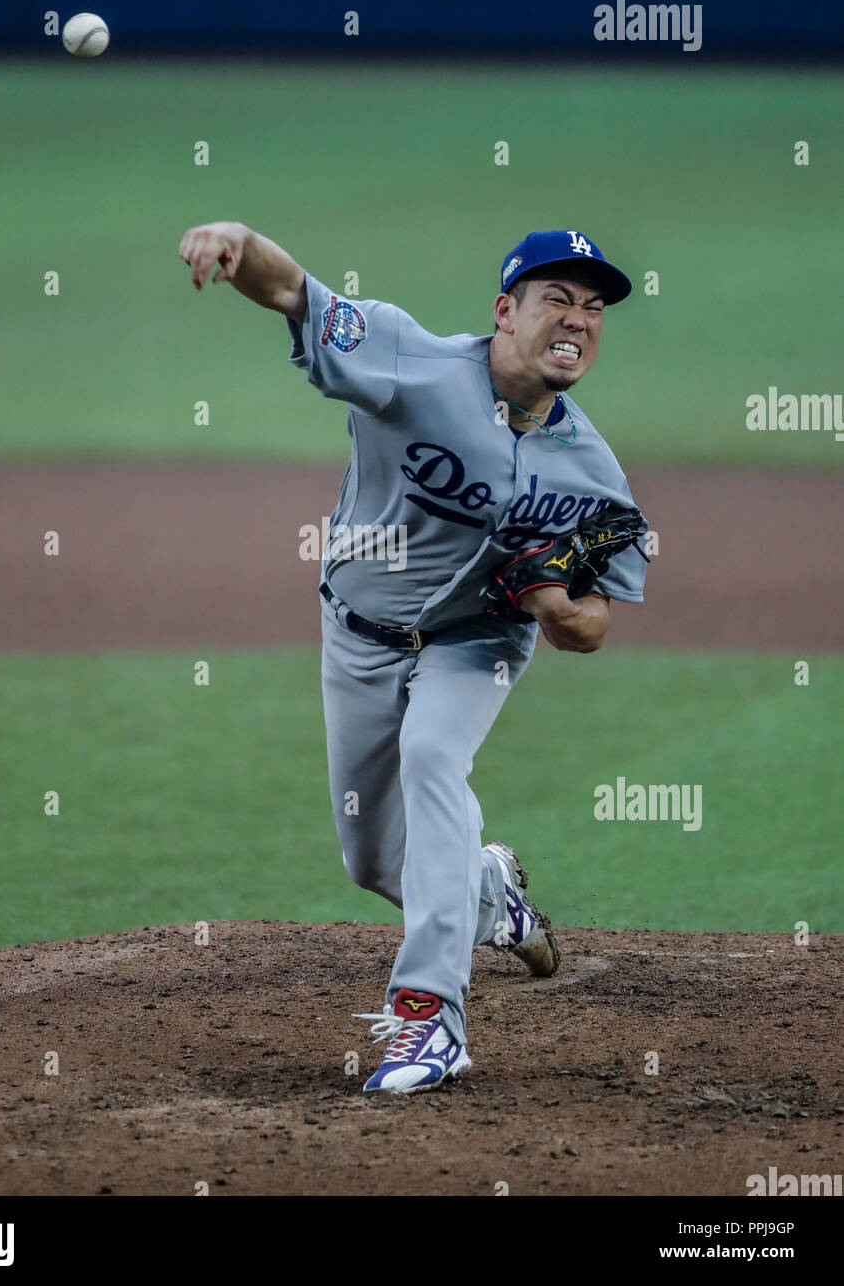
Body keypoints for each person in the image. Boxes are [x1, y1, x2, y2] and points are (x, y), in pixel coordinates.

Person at [179, 222, 648, 1094]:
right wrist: (239, 243)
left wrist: (552, 606)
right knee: (371, 861)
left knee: (434, 755)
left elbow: (595, 623)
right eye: (557, 299)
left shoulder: (592, 478)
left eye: (592, 309)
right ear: (505, 312)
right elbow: (297, 293)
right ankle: (488, 892)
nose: (577, 320)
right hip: (356, 634)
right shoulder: (408, 359)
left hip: (476, 644)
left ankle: (429, 1016)